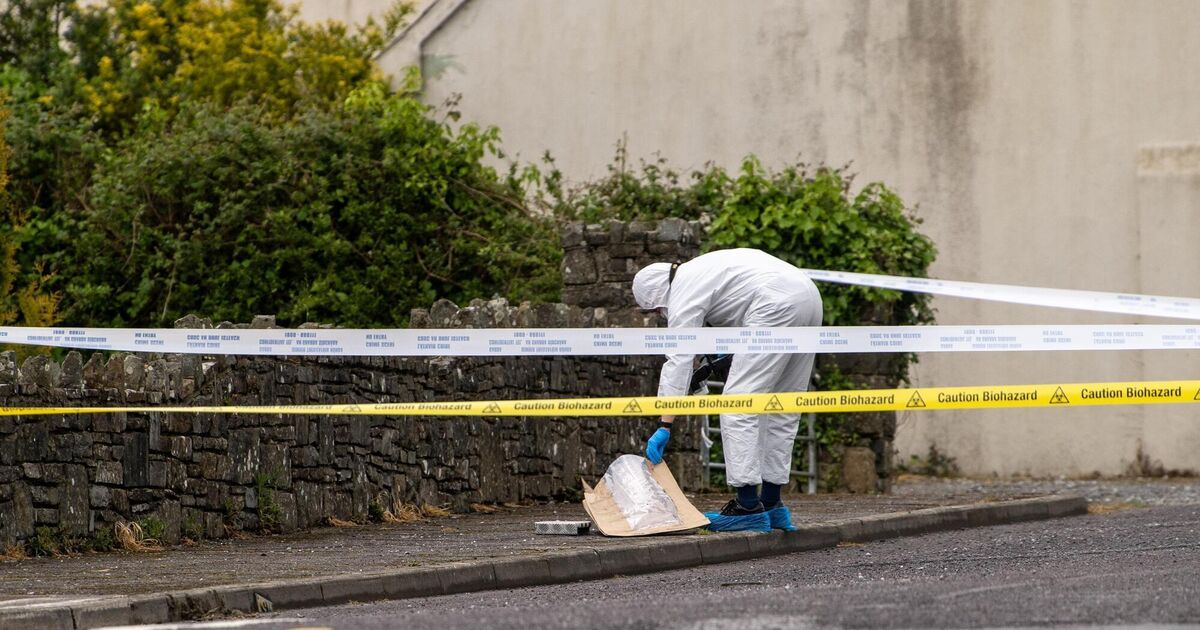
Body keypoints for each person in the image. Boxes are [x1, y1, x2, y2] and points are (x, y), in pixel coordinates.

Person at [632, 248, 822, 532]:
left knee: (737, 406)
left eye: (657, 311)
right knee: (782, 406)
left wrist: (664, 425)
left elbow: (678, 359)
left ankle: (747, 507)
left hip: (775, 303)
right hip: (808, 296)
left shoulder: (682, 288)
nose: (662, 315)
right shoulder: (705, 270)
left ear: (656, 297)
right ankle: (772, 504)